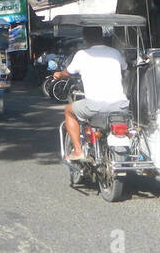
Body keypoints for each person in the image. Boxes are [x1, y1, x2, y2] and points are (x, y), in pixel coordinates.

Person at [54, 26, 128, 162]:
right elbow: (124, 68)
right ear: (102, 37)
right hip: (121, 105)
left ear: (85, 39)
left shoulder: (82, 54)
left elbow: (68, 72)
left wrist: (59, 74)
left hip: (95, 106)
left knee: (69, 111)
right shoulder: (115, 52)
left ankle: (78, 151)